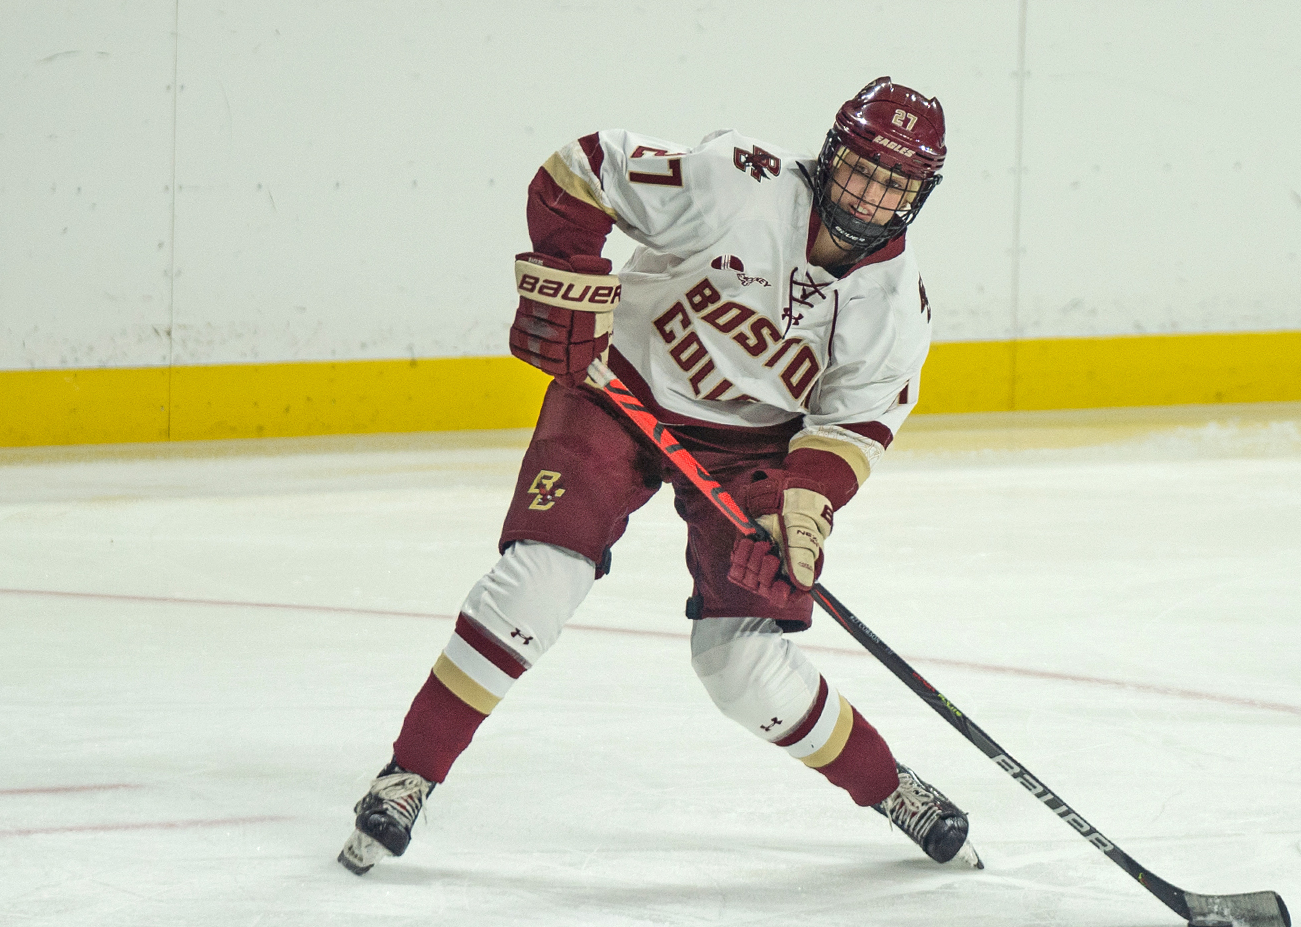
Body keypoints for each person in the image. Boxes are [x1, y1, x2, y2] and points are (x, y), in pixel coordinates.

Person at [339, 77, 980, 876]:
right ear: (833, 149)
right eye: (862, 167)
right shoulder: (738, 181)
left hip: (750, 455)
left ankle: (893, 789)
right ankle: (409, 774)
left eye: (896, 183)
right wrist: (566, 273)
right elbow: (581, 168)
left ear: (920, 195)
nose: (871, 192)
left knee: (740, 668)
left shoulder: (896, 303)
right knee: (538, 579)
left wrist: (806, 505)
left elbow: (856, 424)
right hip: (620, 390)